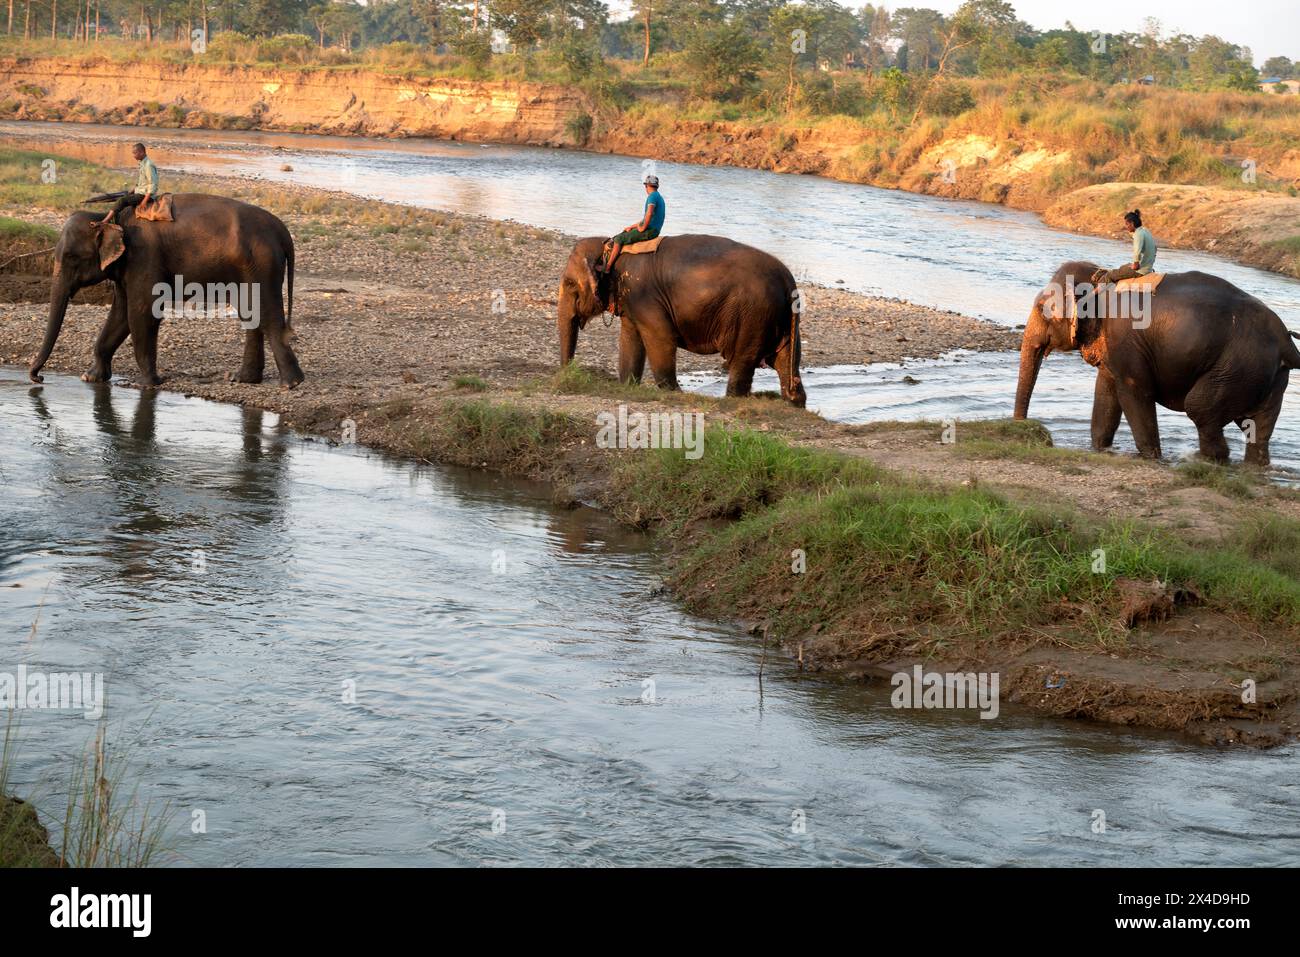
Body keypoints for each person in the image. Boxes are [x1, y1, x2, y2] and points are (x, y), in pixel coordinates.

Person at [597, 175, 665, 273]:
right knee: (625, 232)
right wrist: (632, 226)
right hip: (654, 229)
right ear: (656, 186)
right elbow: (646, 218)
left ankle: (607, 267)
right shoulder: (659, 196)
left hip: (650, 230)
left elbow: (649, 213)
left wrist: (642, 228)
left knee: (619, 239)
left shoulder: (652, 197)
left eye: (646, 186)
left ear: (647, 186)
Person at [1094, 209, 1156, 284]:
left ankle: (1100, 293)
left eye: (1127, 224)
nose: (1126, 226)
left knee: (1109, 275)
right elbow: (1155, 249)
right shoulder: (1145, 230)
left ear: (1132, 223)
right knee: (1124, 266)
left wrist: (1136, 266)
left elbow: (1137, 252)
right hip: (1148, 268)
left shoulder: (1138, 234)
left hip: (1141, 271)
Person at [104, 143, 160, 223]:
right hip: (141, 192)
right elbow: (142, 183)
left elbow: (153, 184)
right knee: (124, 196)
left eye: (135, 153)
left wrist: (144, 201)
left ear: (142, 152)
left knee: (122, 201)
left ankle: (105, 221)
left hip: (145, 195)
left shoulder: (148, 165)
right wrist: (132, 191)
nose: (133, 156)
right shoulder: (142, 163)